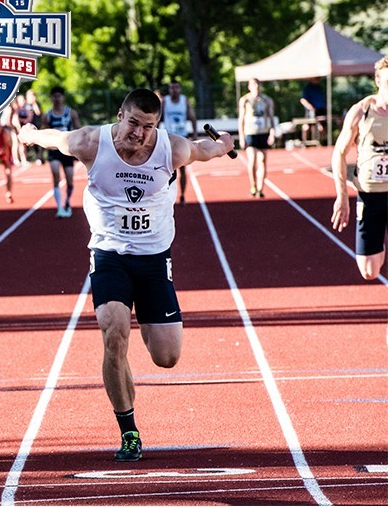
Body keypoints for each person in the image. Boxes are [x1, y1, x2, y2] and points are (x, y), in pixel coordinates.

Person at [17, 88, 235, 462]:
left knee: (166, 357)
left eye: (149, 126)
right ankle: (129, 430)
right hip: (110, 255)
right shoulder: (91, 142)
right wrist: (29, 134)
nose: (140, 134)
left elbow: (207, 149)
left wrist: (225, 141)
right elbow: (56, 138)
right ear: (120, 115)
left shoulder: (172, 150)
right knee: (113, 335)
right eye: (134, 123)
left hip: (154, 259)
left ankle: (127, 361)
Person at [331, 56, 388, 280]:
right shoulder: (361, 112)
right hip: (370, 195)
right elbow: (340, 153)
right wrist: (342, 196)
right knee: (369, 271)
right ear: (378, 80)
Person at [44, 87, 82, 217]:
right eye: (54, 96)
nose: (57, 99)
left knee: (70, 180)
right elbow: (43, 133)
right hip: (54, 150)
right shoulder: (47, 115)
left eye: (59, 96)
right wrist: (40, 152)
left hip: (68, 149)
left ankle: (67, 202)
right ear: (51, 98)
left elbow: (79, 131)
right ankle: (59, 207)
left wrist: (79, 150)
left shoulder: (71, 113)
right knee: (55, 174)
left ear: (63, 97)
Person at [238, 78, 276, 198]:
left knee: (263, 160)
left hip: (263, 132)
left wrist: (272, 132)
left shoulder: (267, 100)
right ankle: (253, 185)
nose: (256, 87)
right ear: (249, 87)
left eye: (258, 84)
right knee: (252, 160)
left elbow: (271, 117)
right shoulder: (245, 100)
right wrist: (242, 136)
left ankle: (260, 188)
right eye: (253, 85)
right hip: (251, 132)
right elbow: (241, 119)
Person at [161, 80, 197, 205]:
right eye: (172, 88)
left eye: (176, 87)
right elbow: (156, 117)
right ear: (169, 89)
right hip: (168, 138)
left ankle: (182, 195)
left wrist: (194, 134)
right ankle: (166, 195)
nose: (174, 90)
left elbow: (192, 117)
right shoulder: (164, 101)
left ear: (180, 89)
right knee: (167, 169)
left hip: (182, 137)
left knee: (182, 168)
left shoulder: (184, 101)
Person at [300, 77, 326, 144]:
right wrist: (310, 107)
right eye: (316, 78)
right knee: (306, 126)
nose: (317, 80)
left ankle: (322, 143)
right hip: (311, 111)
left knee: (322, 127)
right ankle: (304, 142)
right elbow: (303, 100)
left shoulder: (319, 87)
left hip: (321, 110)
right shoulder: (308, 88)